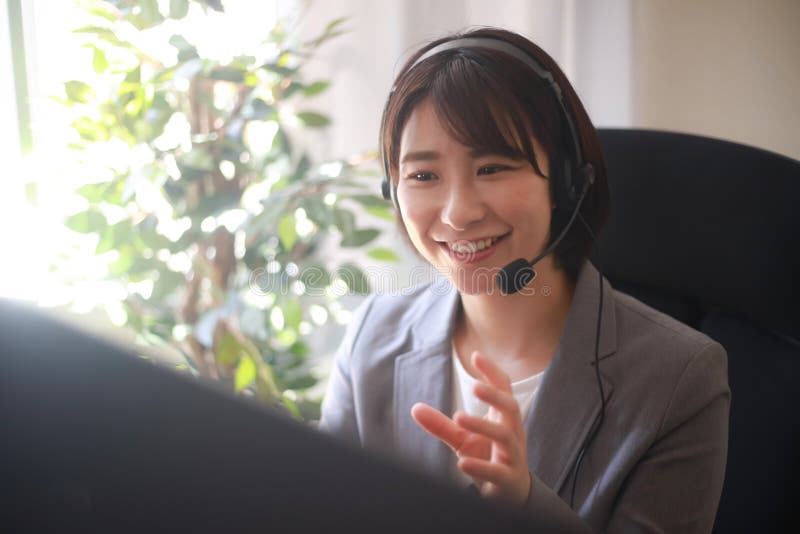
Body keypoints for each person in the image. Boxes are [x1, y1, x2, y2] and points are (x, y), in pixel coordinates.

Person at [319, 27, 729, 533]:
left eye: (492, 168)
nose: (459, 213)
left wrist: (526, 505)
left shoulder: (678, 379)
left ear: (565, 181)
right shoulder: (372, 338)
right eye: (424, 176)